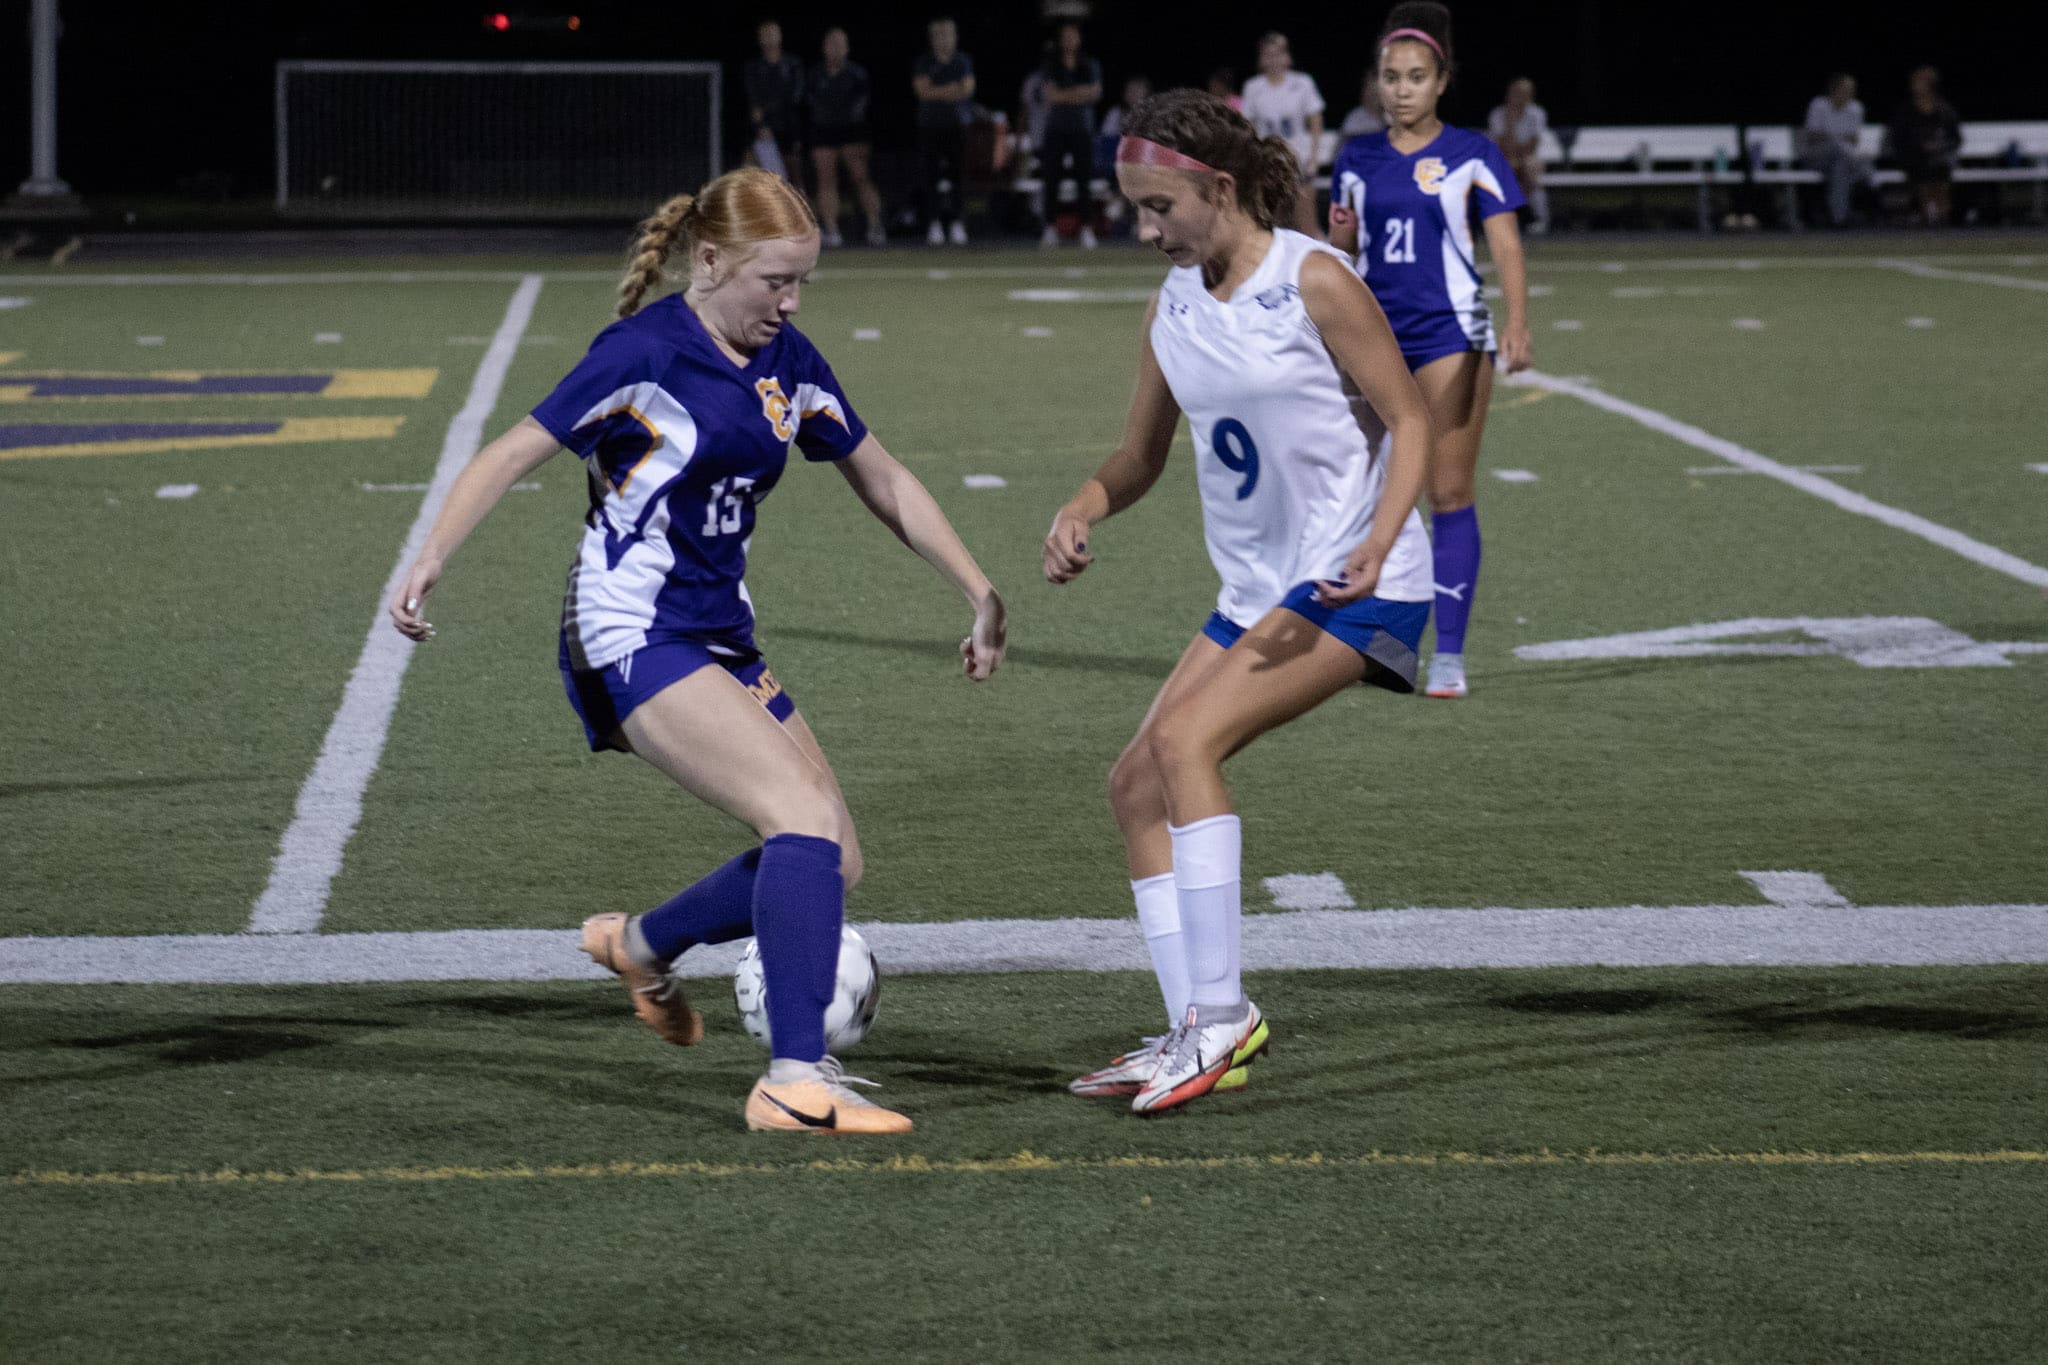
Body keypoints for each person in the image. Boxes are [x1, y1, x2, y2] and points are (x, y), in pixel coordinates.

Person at [388, 168, 1007, 1135]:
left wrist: (975, 586)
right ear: (710, 261)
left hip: (718, 631)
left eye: (802, 282)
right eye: (776, 281)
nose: (791, 302)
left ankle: (640, 946)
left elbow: (880, 475)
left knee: (831, 856)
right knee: (798, 814)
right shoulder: (642, 353)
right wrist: (429, 555)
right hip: (629, 630)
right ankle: (793, 1080)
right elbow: (515, 449)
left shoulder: (787, 358)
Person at [1043, 90, 1437, 1115]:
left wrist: (1381, 542)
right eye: (1132, 208)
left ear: (1218, 189)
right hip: (1256, 594)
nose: (1143, 230)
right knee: (1134, 786)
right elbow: (1138, 456)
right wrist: (1083, 505)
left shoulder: (1312, 279)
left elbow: (1409, 421)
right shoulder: (1173, 302)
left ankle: (1218, 1017)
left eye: (1157, 208)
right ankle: (1193, 1027)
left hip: (1354, 582)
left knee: (1185, 748)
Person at [1328, 1, 1532, 700]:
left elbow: (1504, 241)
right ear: (1376, 82)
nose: (1402, 88)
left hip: (1451, 334)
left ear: (1441, 80)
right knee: (1367, 494)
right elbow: (1343, 258)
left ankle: (1448, 654)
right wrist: (1338, 238)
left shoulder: (1474, 152)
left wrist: (1519, 322)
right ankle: (1381, 644)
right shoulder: (1354, 157)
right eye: (1391, 76)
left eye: (1416, 76)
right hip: (1374, 338)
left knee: (1446, 490)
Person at [1240, 32, 1326, 236]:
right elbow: (1248, 126)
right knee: (1273, 225)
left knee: (1307, 224)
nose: (1273, 59)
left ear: (1286, 56)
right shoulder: (1253, 87)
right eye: (1268, 54)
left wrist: (1313, 158)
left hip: (1298, 161)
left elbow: (1315, 120)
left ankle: (1327, 261)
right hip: (1268, 163)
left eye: (1277, 53)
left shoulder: (1302, 83)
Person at [808, 27, 886, 247]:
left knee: (861, 177)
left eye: (840, 44)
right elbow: (813, 103)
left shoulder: (856, 74)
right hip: (823, 131)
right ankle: (831, 230)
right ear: (824, 48)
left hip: (852, 132)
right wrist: (828, 117)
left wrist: (842, 116)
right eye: (831, 44)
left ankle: (875, 225)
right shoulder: (815, 75)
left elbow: (860, 105)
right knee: (826, 179)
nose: (835, 49)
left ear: (847, 48)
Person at [1037, 22, 1104, 248]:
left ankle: (1086, 227)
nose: (1069, 40)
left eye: (1073, 36)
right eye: (1065, 36)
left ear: (1079, 39)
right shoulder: (1050, 64)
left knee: (1083, 179)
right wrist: (1077, 94)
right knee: (1052, 179)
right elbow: (1050, 96)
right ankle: (1049, 228)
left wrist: (1064, 94)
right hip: (1056, 129)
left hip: (1082, 129)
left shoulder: (1089, 64)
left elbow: (1094, 93)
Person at [912, 16, 976, 246]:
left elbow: (967, 90)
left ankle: (957, 222)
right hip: (929, 126)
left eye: (947, 34)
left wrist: (937, 90)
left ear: (954, 36)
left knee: (958, 175)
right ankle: (934, 223)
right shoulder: (924, 62)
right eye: (938, 35)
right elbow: (922, 92)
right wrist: (951, 89)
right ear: (932, 38)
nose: (943, 39)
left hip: (956, 126)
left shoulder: (962, 61)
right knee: (931, 177)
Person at [1889, 65, 1961, 226]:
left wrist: (1939, 147)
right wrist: (1918, 148)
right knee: (1923, 170)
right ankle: (1927, 217)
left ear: (1931, 85)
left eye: (1920, 82)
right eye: (1915, 82)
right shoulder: (1906, 111)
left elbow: (1955, 138)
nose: (1915, 86)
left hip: (1939, 157)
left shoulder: (1944, 110)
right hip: (1915, 158)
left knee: (1941, 171)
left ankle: (1943, 217)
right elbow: (1898, 139)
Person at [1800, 73, 1875, 227]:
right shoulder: (1818, 104)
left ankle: (1838, 218)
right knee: (1838, 148)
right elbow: (1813, 136)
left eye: (1852, 90)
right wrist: (1839, 138)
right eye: (1846, 89)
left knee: (1840, 166)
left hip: (1842, 159)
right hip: (1817, 156)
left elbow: (1854, 138)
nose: (1850, 93)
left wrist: (1831, 136)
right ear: (1835, 89)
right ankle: (1866, 173)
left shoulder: (1856, 108)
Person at [744, 19, 805, 187]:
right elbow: (754, 101)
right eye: (765, 34)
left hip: (789, 126)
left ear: (780, 36)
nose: (770, 38)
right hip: (763, 130)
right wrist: (762, 125)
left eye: (773, 33)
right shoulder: (753, 68)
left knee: (794, 176)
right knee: (751, 173)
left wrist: (770, 111)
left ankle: (801, 211)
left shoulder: (793, 64)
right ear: (760, 39)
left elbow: (795, 98)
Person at [1487, 77, 1550, 234]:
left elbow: (1532, 146)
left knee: (1527, 168)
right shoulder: (1497, 114)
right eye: (1514, 93)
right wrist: (1511, 122)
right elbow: (1501, 145)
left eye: (1522, 94)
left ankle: (1540, 219)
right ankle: (1501, 220)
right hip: (1506, 158)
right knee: (1505, 169)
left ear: (1529, 96)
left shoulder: (1537, 114)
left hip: (1530, 158)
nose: (1517, 98)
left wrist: (1517, 157)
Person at [1339, 72, 1386, 140]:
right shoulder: (1355, 117)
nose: (1370, 96)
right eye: (1367, 90)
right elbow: (1344, 146)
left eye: (1375, 94)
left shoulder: (1393, 117)